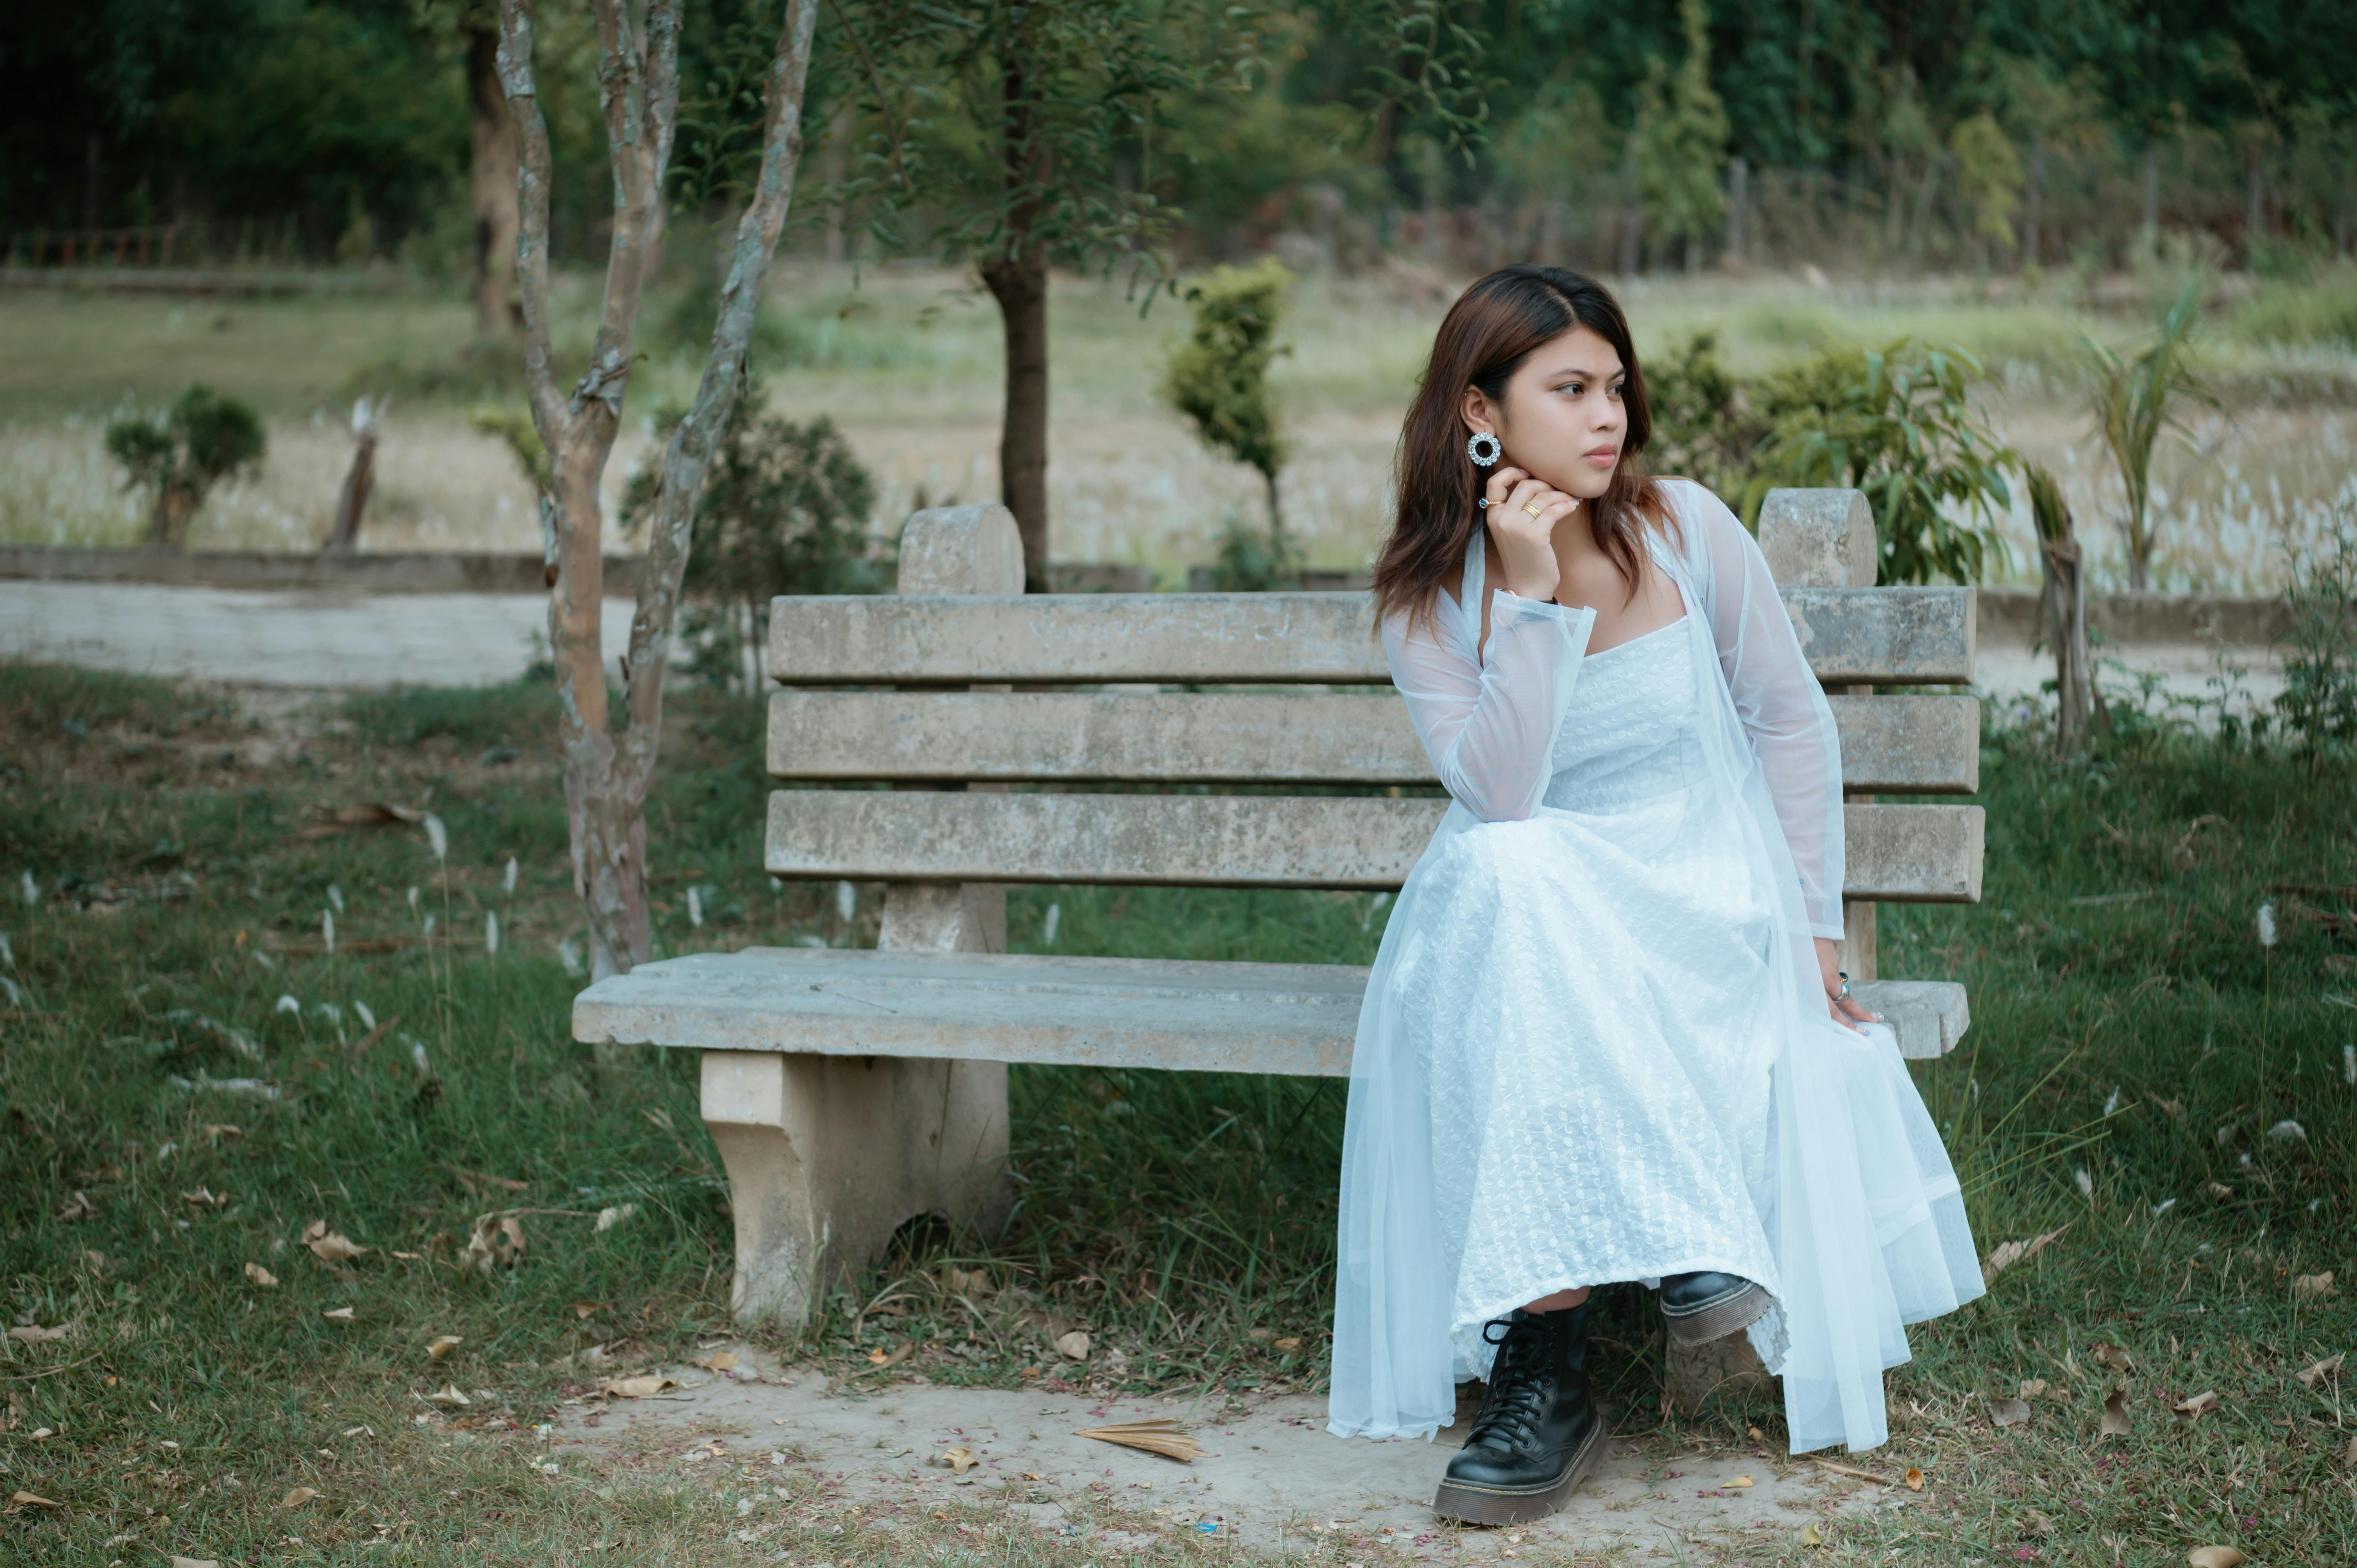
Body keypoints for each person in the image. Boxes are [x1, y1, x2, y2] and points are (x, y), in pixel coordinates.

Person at [1324, 264, 1983, 1526]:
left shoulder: (1683, 527)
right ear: (1481, 408)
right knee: (1513, 867)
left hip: (1697, 898)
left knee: (1525, 890)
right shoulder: (1432, 599)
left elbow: (1790, 723)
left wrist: (1814, 935)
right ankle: (1576, 1345)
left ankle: (1598, 1316)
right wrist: (1524, 596)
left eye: (1614, 386)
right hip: (1530, 923)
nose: (1606, 416)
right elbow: (1503, 797)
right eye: (1568, 390)